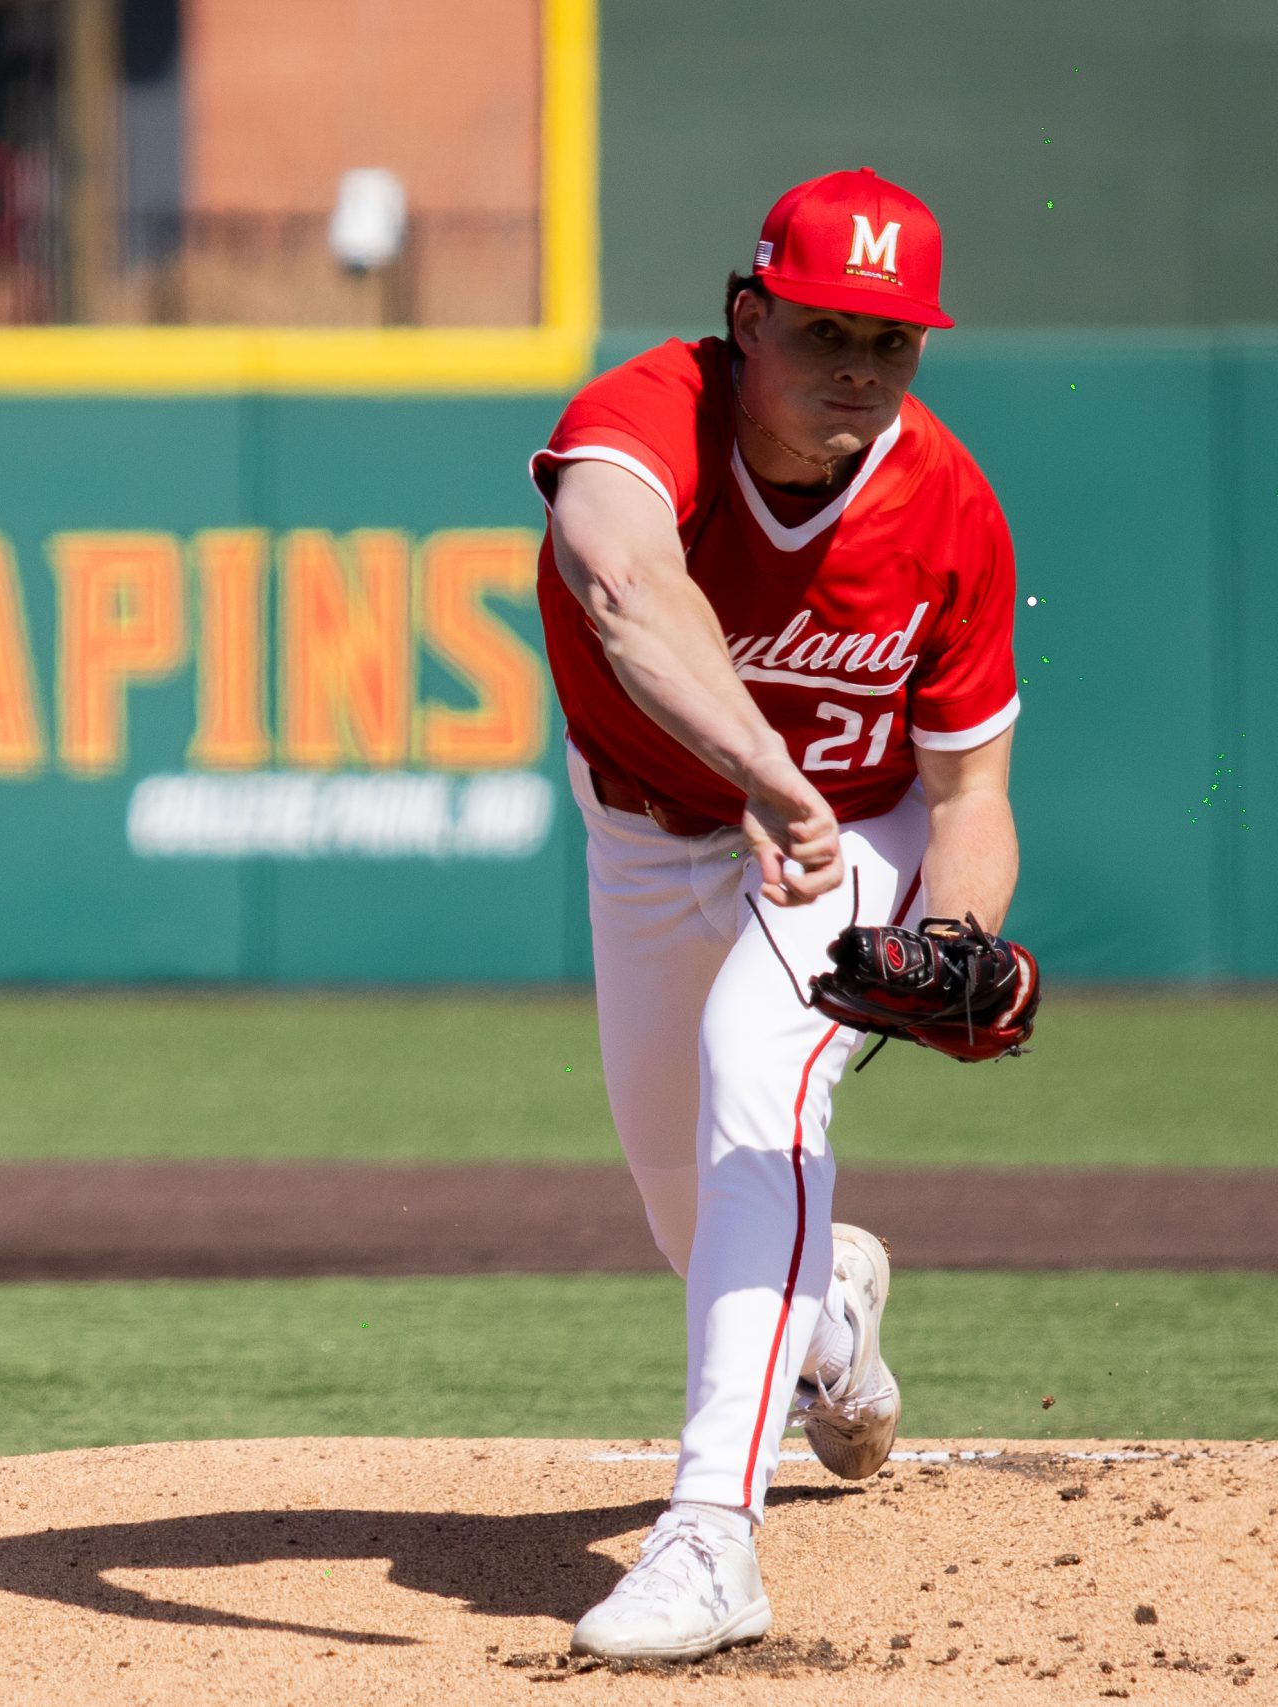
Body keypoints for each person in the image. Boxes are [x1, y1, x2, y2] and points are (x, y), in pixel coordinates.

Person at [531, 169, 1021, 1660]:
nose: (858, 372)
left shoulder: (948, 508)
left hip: (845, 849)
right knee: (697, 1216)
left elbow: (968, 800)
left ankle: (710, 1536)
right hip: (653, 831)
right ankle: (831, 1322)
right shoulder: (644, 416)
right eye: (824, 332)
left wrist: (955, 936)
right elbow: (622, 584)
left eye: (893, 342)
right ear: (748, 319)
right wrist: (767, 769)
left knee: (764, 1073)